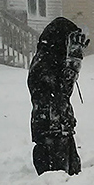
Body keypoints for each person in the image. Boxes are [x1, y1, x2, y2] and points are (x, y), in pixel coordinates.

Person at [27, 17, 89, 176]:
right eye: (69, 41)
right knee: (58, 180)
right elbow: (60, 94)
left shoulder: (51, 59)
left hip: (60, 130)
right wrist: (73, 64)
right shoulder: (44, 63)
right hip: (51, 132)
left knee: (72, 177)